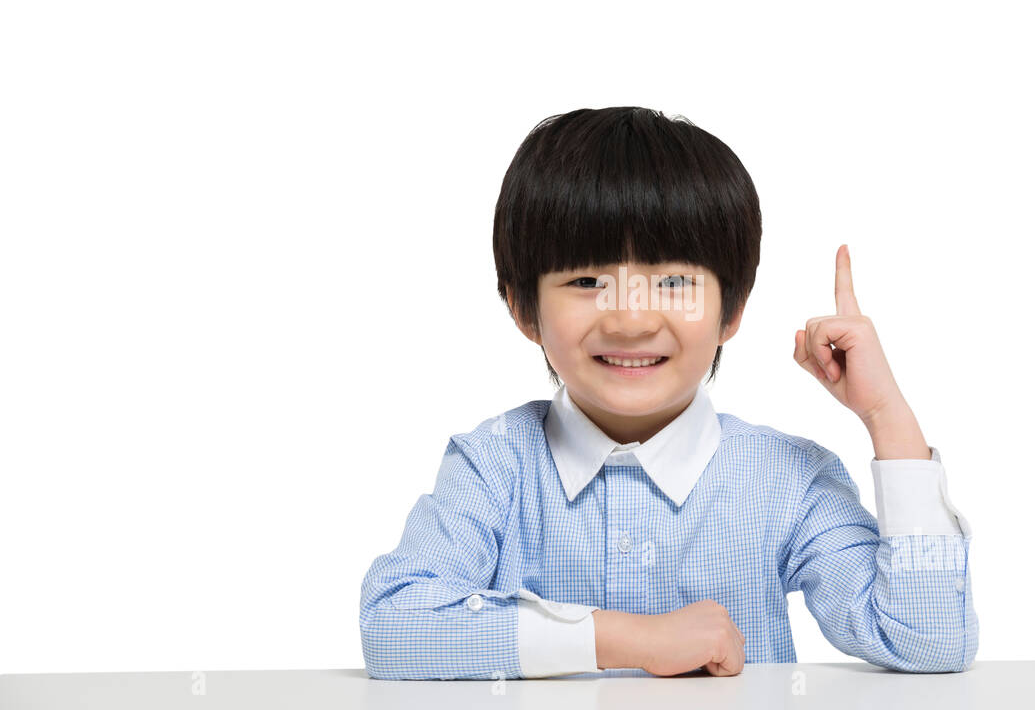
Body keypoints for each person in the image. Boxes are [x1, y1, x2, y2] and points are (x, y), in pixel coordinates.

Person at [359, 106, 977, 679]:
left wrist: (884, 413)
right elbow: (394, 623)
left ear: (730, 312)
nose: (630, 319)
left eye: (674, 280)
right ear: (524, 309)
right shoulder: (494, 466)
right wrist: (629, 640)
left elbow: (925, 640)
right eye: (587, 279)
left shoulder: (788, 478)